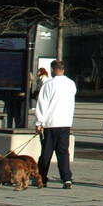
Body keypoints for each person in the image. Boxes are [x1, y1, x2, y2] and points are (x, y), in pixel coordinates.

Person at [34, 59, 76, 189]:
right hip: (65, 123)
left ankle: (41, 177)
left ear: (52, 69)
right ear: (63, 69)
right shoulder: (71, 84)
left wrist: (38, 122)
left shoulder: (48, 84)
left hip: (50, 123)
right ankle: (66, 178)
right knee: (63, 152)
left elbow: (42, 104)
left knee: (46, 152)